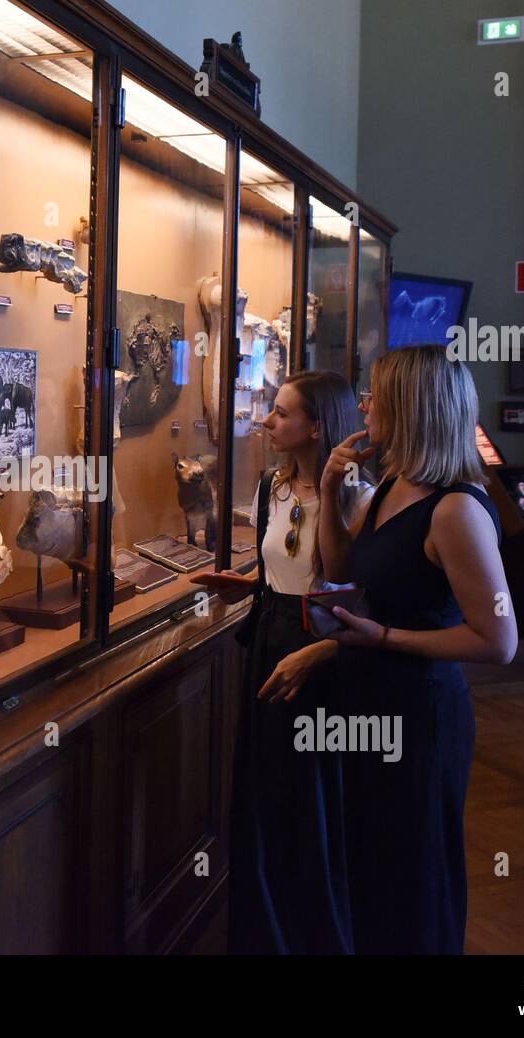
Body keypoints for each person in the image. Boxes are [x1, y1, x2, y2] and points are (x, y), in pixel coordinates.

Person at [317, 345, 517, 955]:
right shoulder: (393, 484)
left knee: (416, 879)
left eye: (376, 394)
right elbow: (341, 568)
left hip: (420, 712)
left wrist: (384, 637)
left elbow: (497, 639)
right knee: (374, 871)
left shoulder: (455, 508)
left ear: (410, 408)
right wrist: (330, 489)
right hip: (372, 702)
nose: (365, 405)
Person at [191, 370, 374, 954]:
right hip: (267, 637)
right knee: (264, 790)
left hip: (317, 649)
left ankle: (313, 932)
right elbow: (278, 566)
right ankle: (264, 933)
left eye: (282, 413)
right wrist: (244, 584)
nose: (267, 421)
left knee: (309, 794)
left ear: (317, 428)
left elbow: (348, 586)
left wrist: (319, 648)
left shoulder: (358, 497)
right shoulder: (272, 484)